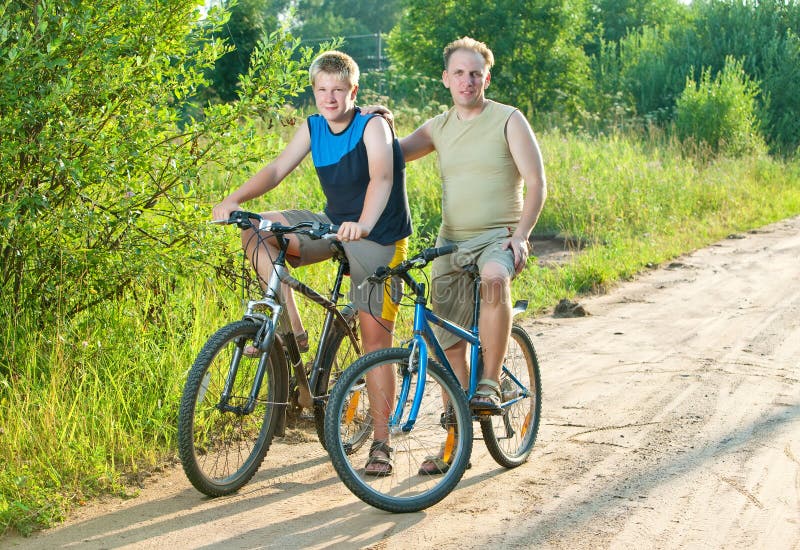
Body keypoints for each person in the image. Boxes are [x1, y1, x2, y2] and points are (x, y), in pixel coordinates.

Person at [212, 50, 412, 477]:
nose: (330, 97)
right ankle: (294, 330)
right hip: (336, 225)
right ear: (314, 91)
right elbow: (277, 169)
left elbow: (382, 178)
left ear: (353, 91)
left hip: (378, 237)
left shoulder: (372, 125)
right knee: (258, 231)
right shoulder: (313, 127)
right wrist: (234, 201)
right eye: (322, 89)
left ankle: (381, 444)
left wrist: (363, 223)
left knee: (376, 343)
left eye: (338, 90)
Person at [370, 36, 547, 474]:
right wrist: (373, 123)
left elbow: (537, 181)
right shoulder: (438, 127)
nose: (467, 80)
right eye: (459, 73)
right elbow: (392, 156)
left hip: (497, 238)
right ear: (446, 79)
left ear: (486, 77)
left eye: (475, 73)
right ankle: (454, 445)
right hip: (451, 243)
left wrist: (521, 236)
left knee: (493, 279)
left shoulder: (508, 119)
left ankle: (489, 381)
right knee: (446, 344)